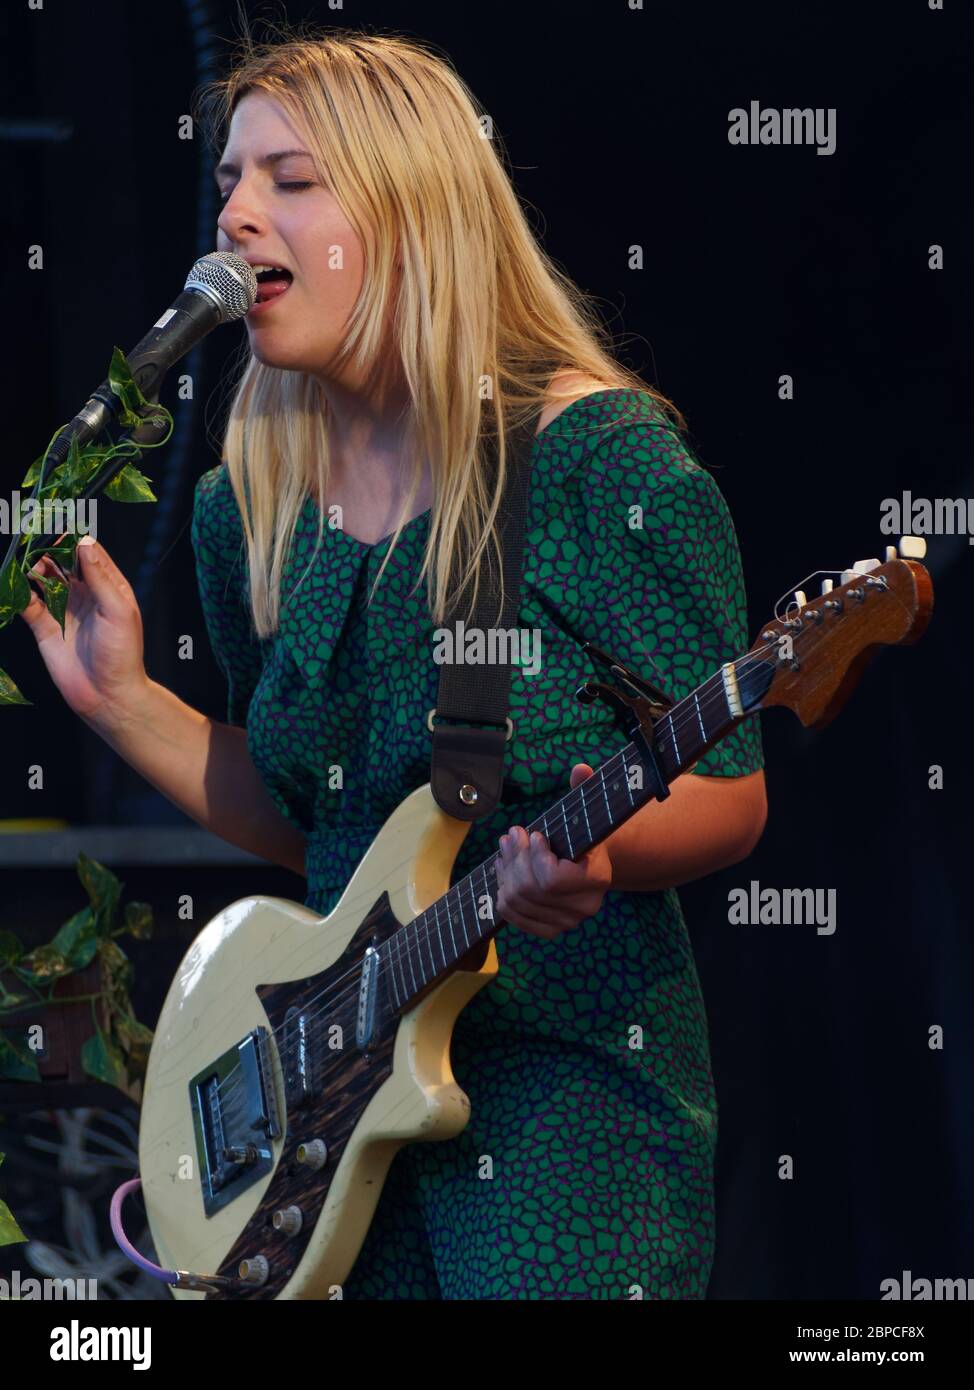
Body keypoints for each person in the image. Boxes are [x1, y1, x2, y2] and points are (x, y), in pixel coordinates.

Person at [19, 27, 766, 1300]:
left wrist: (590, 854)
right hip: (326, 1113)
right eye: (229, 186)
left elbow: (732, 791)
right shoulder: (245, 504)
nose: (238, 216)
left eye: (291, 182)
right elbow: (319, 826)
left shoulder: (599, 463)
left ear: (412, 212)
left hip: (559, 1097)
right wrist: (121, 702)